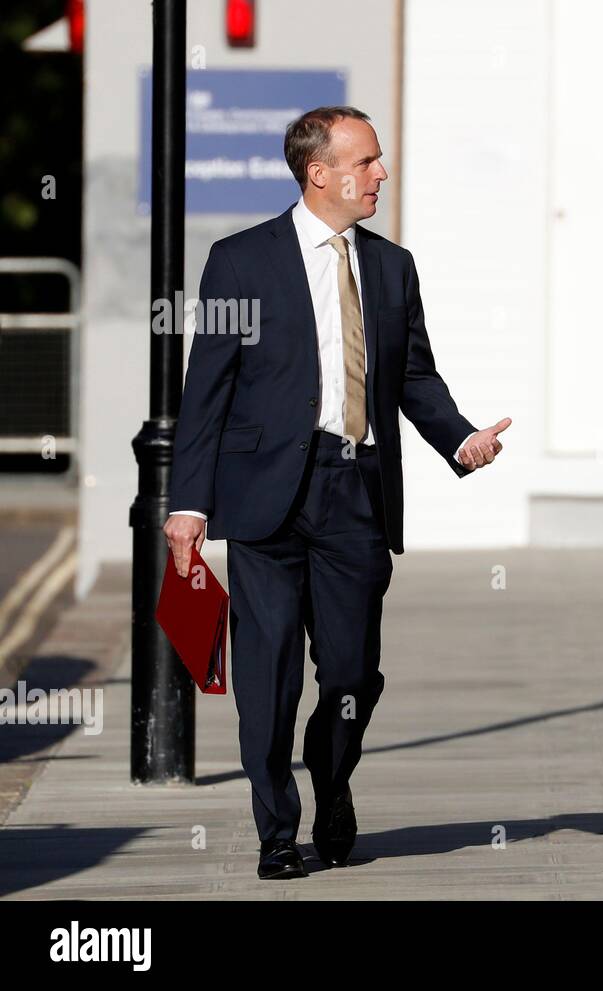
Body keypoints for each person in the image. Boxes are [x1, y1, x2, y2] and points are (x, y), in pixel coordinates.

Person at [163, 106, 511, 879]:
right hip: (264, 499)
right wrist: (187, 505)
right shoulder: (239, 262)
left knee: (352, 672)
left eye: (378, 161)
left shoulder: (392, 267)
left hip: (355, 487)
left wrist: (459, 438)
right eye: (366, 162)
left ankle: (333, 775)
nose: (380, 174)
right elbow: (206, 391)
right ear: (319, 173)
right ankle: (277, 832)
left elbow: (412, 375)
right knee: (271, 668)